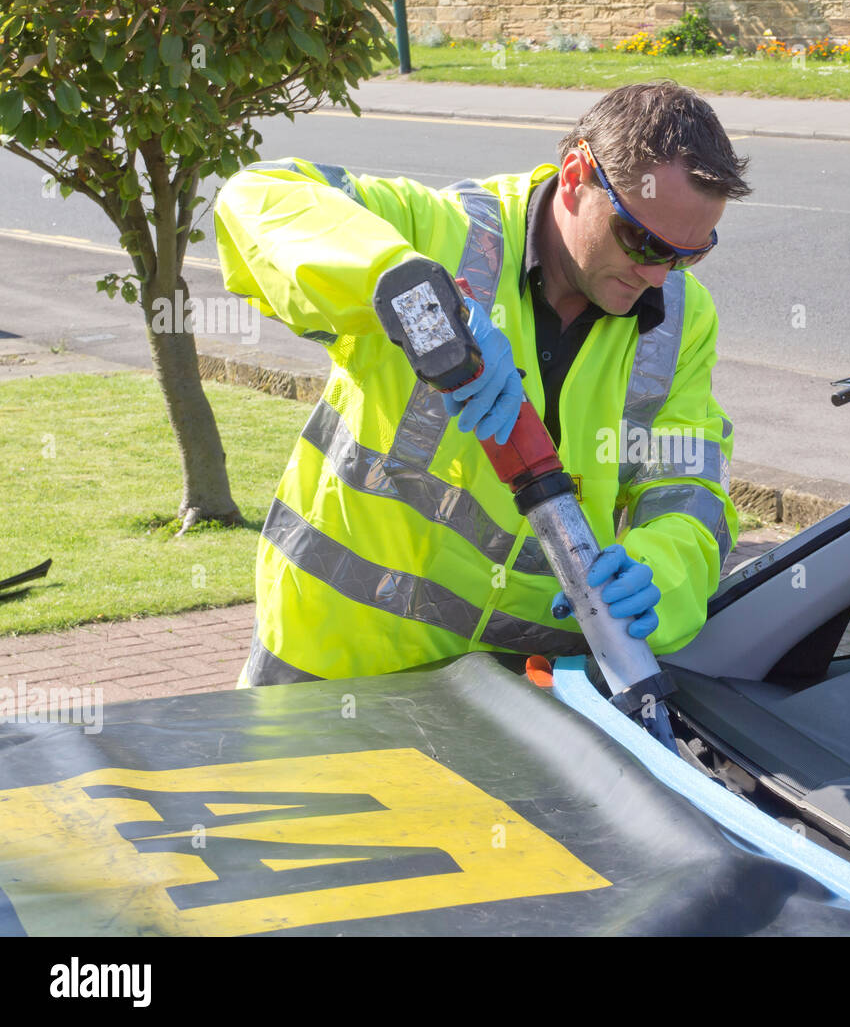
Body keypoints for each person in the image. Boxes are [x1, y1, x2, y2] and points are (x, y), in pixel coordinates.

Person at [213, 81, 748, 685]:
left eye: (687, 254)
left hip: (521, 694)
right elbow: (257, 198)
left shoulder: (682, 317)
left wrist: (661, 573)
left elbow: (689, 486)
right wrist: (417, 295)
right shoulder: (441, 233)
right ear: (576, 175)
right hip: (337, 670)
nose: (656, 275)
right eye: (641, 240)